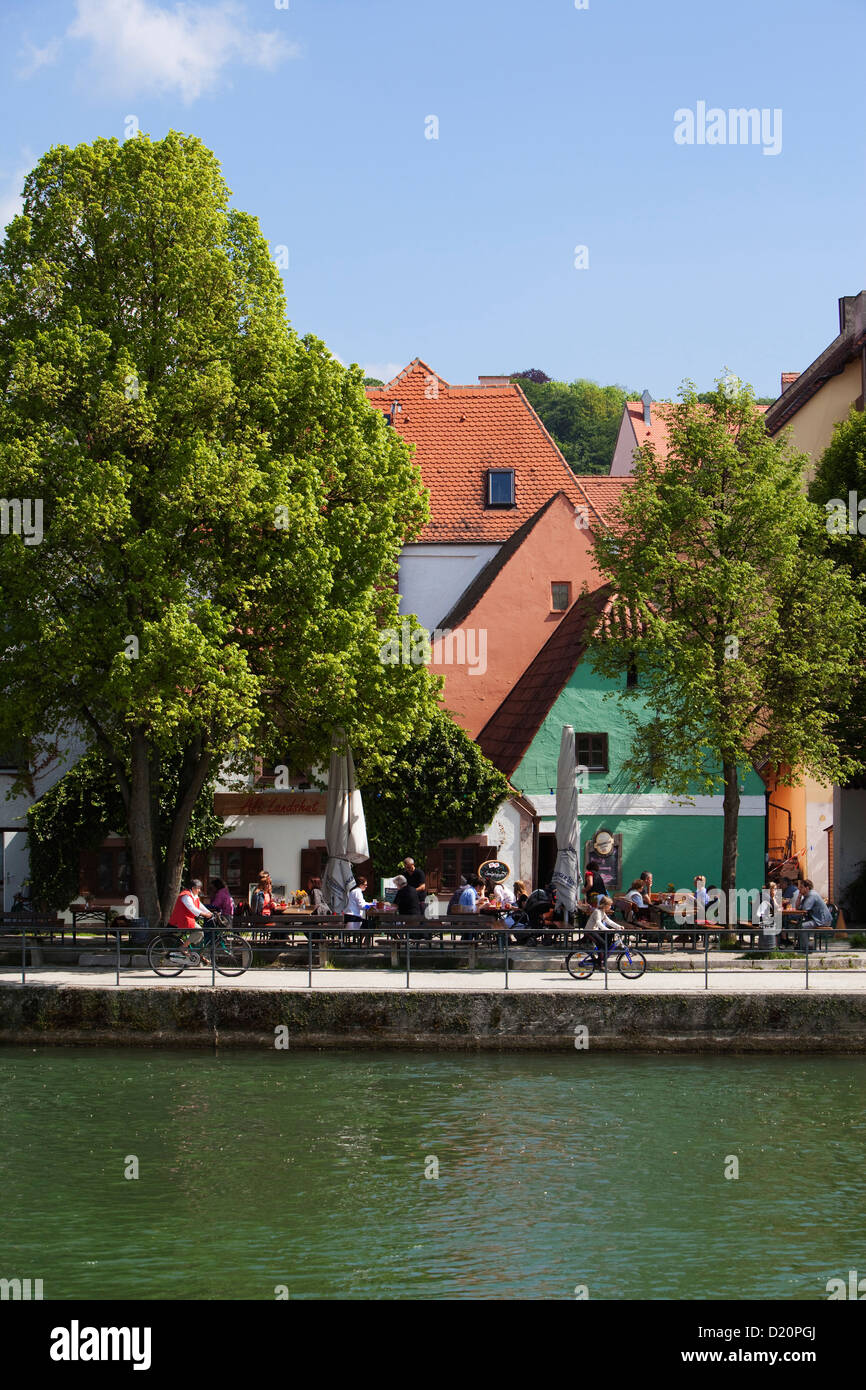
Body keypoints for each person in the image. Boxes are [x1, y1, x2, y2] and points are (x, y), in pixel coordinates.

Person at [167, 878, 214, 960]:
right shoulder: (185, 896)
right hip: (181, 919)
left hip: (188, 919)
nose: (199, 890)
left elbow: (200, 906)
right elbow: (191, 908)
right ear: (193, 888)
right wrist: (204, 914)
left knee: (200, 934)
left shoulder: (194, 896)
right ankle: (183, 947)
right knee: (199, 932)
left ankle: (197, 954)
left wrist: (210, 913)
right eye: (198, 888)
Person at [583, 896, 622, 963]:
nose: (610, 907)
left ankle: (601, 960)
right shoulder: (597, 912)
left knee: (607, 941)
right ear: (605, 905)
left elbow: (609, 921)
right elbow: (598, 923)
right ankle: (600, 962)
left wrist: (618, 927)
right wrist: (608, 930)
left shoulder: (602, 912)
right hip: (590, 932)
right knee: (603, 944)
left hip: (595, 931)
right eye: (609, 905)